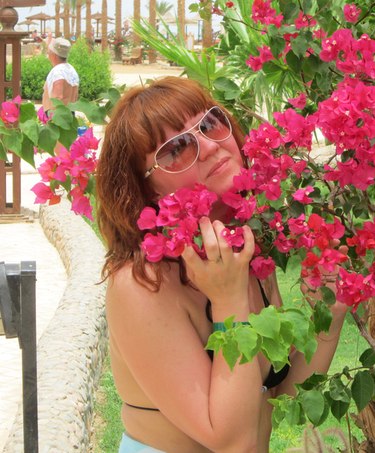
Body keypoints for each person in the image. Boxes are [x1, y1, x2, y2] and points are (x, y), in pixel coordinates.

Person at [95, 76, 348, 453]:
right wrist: (229, 301)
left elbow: (276, 398)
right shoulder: (142, 284)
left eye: (210, 123)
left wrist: (330, 317)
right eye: (177, 148)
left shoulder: (244, 247)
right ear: (149, 190)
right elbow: (234, 442)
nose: (210, 146)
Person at [42, 37, 79, 114]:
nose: (48, 54)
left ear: (54, 55)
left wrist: (53, 117)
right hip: (69, 114)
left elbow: (58, 97)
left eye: (49, 52)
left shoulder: (58, 72)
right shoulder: (71, 70)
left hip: (58, 117)